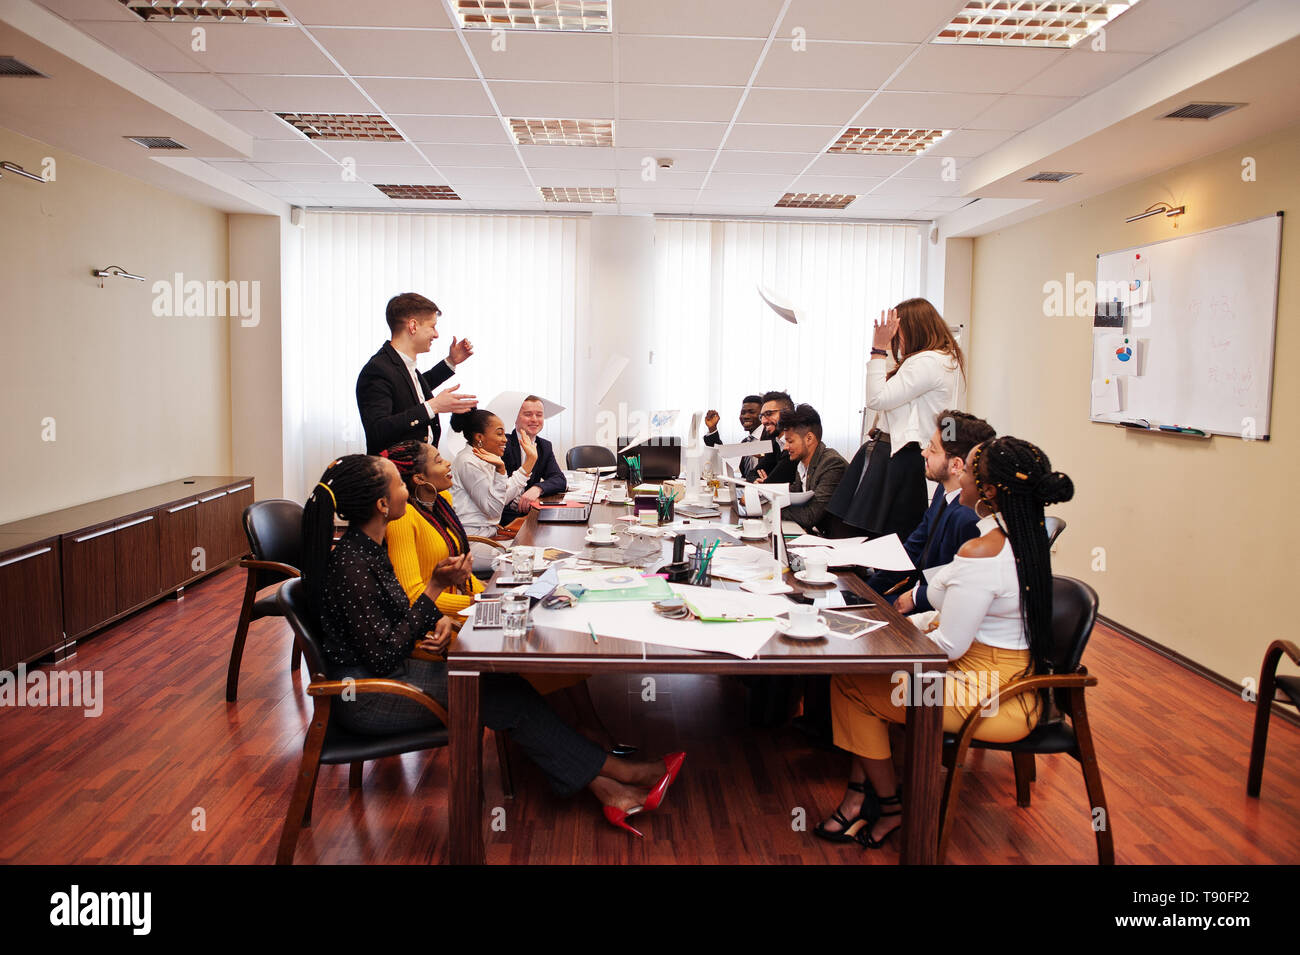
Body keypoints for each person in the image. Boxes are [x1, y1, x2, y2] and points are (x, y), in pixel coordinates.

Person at [302, 453, 685, 836]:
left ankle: (608, 786)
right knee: (503, 695)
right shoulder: (354, 563)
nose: (407, 488)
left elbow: (389, 624)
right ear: (383, 505)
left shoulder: (366, 547)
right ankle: (619, 772)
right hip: (370, 697)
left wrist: (435, 622)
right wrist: (435, 589)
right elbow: (383, 655)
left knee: (505, 685)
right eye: (399, 484)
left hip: (389, 675)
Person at [814, 436, 1073, 850]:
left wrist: (891, 637)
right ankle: (862, 797)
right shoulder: (1022, 540)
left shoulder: (982, 552)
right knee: (857, 677)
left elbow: (948, 647)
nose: (960, 478)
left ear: (986, 491)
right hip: (1006, 680)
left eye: (968, 472)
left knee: (850, 686)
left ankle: (889, 803)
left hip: (989, 694)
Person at [825, 297, 965, 539]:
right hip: (895, 452)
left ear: (913, 329)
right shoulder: (940, 359)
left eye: (896, 331)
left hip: (898, 455)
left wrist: (878, 349)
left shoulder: (927, 361)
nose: (894, 338)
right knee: (866, 529)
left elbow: (877, 399)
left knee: (864, 533)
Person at [866, 411, 995, 613]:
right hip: (917, 593)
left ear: (956, 465)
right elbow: (914, 547)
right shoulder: (943, 491)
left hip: (933, 609)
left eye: (933, 450)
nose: (924, 453)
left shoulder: (969, 516)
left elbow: (954, 586)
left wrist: (917, 598)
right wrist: (868, 589)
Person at [355, 292, 478, 454]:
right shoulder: (377, 369)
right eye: (432, 326)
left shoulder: (400, 364)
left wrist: (451, 361)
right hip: (396, 473)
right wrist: (434, 406)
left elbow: (410, 390)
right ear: (413, 326)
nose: (436, 334)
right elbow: (377, 430)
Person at [449, 408, 533, 565]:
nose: (505, 439)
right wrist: (501, 471)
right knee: (531, 556)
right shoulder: (468, 461)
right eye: (499, 433)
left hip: (488, 537)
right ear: (479, 437)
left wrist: (530, 462)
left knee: (537, 545)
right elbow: (494, 510)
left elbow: (500, 498)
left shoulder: (482, 458)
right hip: (473, 543)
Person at [778, 404, 847, 536]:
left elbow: (810, 516)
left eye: (790, 441)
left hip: (835, 541)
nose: (786, 447)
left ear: (809, 438)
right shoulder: (803, 464)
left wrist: (773, 508)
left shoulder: (832, 464)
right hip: (816, 534)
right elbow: (792, 494)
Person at [500, 395, 567, 524]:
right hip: (504, 518)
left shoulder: (544, 446)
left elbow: (559, 479)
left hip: (531, 514)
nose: (534, 420)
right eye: (528, 414)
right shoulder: (503, 444)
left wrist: (537, 488)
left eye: (539, 415)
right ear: (515, 417)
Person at [704, 395, 764, 480]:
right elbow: (722, 455)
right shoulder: (745, 442)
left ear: (763, 415)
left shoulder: (769, 439)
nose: (745, 416)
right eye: (743, 412)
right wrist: (712, 429)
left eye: (751, 412)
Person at [754, 390, 797, 486]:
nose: (764, 421)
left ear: (787, 413)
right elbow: (753, 474)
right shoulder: (776, 443)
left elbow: (775, 481)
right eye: (761, 416)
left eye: (769, 414)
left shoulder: (795, 446)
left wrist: (766, 482)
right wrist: (763, 482)